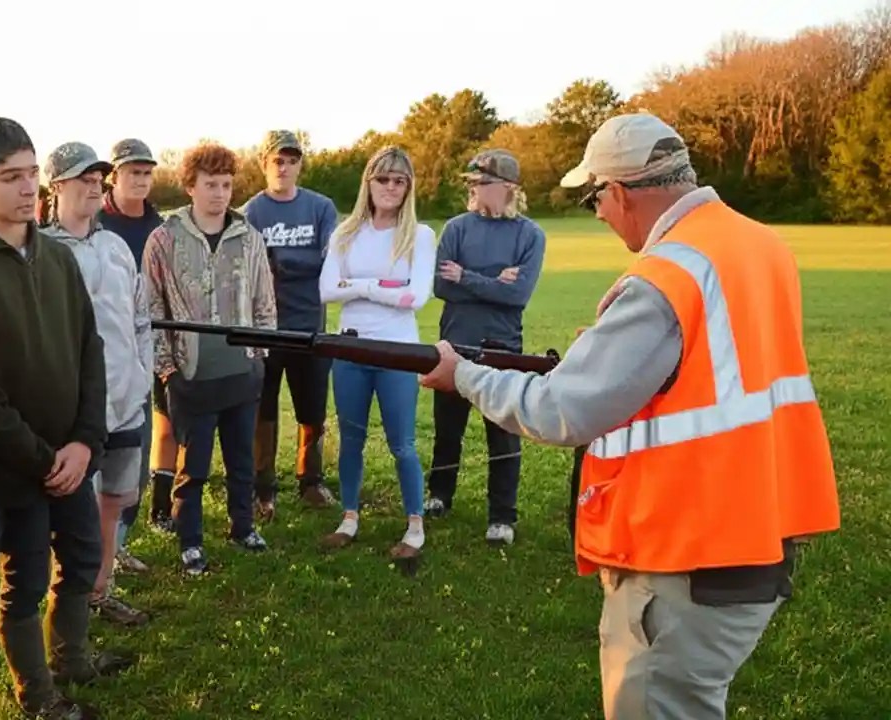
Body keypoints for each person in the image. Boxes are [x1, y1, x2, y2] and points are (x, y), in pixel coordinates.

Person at [419, 112, 842, 720]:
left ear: (618, 191)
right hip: (756, 530)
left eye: (595, 197)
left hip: (684, 559)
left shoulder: (666, 277)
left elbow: (559, 409)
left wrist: (460, 375)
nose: (596, 213)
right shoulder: (759, 243)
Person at [0, 116, 129, 720]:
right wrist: (44, 460)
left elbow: (91, 350)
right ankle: (37, 694)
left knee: (85, 558)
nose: (26, 188)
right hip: (14, 469)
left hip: (73, 452)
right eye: (9, 177)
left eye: (31, 173)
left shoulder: (56, 257)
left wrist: (86, 442)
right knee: (26, 581)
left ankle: (72, 656)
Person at [143, 141, 277, 576]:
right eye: (210, 184)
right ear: (189, 187)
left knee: (242, 461)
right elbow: (153, 310)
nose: (219, 193)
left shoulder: (249, 238)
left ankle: (243, 527)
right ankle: (191, 541)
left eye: (226, 184)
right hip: (191, 375)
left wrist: (259, 358)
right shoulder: (163, 239)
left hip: (242, 372)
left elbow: (264, 303)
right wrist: (168, 371)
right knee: (193, 467)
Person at [42, 141, 152, 627]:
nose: (93, 187)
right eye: (82, 179)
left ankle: (100, 592)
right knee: (73, 519)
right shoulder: (41, 253)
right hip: (74, 413)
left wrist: (142, 377)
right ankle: (66, 604)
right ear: (56, 186)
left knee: (112, 506)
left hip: (126, 401)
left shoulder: (116, 246)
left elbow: (141, 317)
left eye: (97, 179)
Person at [317, 145, 435, 563]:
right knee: (351, 439)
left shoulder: (419, 236)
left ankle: (415, 524)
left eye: (399, 181)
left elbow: (416, 297)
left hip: (398, 352)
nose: (390, 187)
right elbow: (327, 290)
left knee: (402, 443)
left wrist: (358, 285)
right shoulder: (346, 233)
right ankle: (349, 517)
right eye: (382, 179)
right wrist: (378, 286)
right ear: (369, 182)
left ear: (408, 189)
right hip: (350, 348)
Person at [426, 148, 546, 545]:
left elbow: (518, 296)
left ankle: (502, 517)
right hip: (455, 344)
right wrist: (495, 281)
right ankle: (439, 495)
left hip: (502, 347)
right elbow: (442, 285)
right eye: (472, 182)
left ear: (509, 188)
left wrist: (469, 278)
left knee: (502, 433)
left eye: (484, 183)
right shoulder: (457, 228)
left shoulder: (530, 235)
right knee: (447, 429)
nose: (475, 189)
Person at [241, 130, 340, 519]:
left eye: (292, 160)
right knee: (262, 410)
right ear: (265, 164)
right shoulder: (252, 212)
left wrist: (280, 261)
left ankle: (310, 480)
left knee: (312, 407)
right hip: (265, 327)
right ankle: (262, 486)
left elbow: (330, 263)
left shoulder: (321, 208)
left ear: (300, 164)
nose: (284, 167)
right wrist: (298, 264)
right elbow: (251, 269)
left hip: (309, 326)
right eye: (277, 161)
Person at [97, 138, 169, 570]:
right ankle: (96, 555)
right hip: (105, 358)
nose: (140, 180)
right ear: (115, 176)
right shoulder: (98, 225)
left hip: (150, 346)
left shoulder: (160, 225)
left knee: (139, 453)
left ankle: (119, 540)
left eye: (146, 173)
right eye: (132, 172)